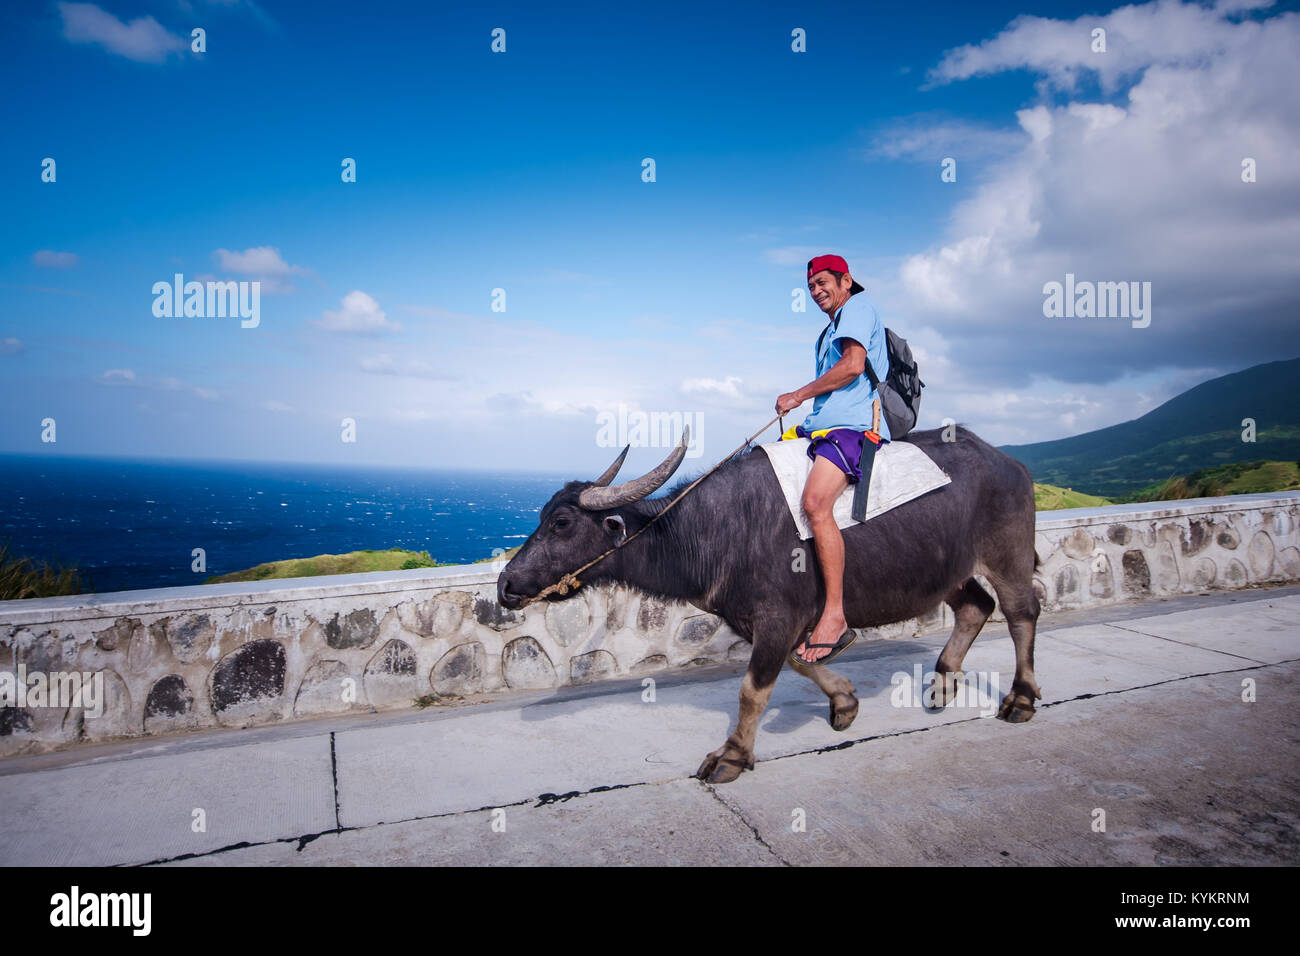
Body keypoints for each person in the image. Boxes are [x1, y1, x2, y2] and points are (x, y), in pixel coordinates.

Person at [775, 254, 890, 665]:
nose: (817, 291)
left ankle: (835, 617)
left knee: (815, 504)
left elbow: (853, 366)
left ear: (846, 281)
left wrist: (797, 395)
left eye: (824, 282)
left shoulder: (857, 307)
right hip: (822, 426)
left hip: (852, 428)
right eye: (811, 287)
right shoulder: (830, 328)